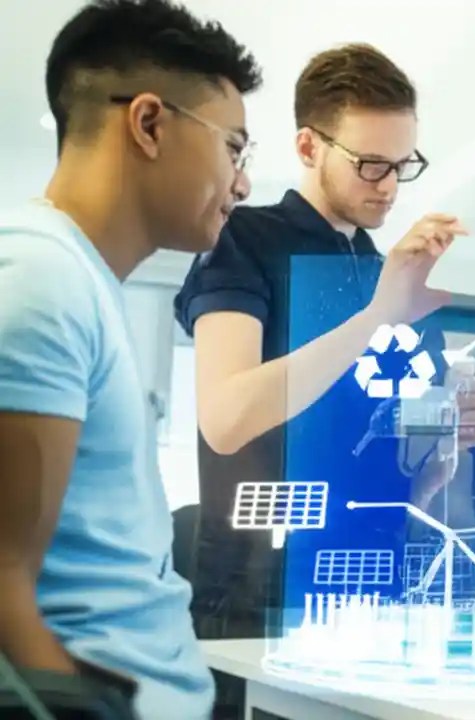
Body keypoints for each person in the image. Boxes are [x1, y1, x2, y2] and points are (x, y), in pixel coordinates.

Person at [173, 42, 475, 651]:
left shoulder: (394, 278)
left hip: (373, 604)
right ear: (308, 147)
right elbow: (226, 419)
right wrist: (378, 317)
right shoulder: (243, 240)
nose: (390, 187)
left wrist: (449, 431)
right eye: (371, 164)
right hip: (256, 609)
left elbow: (410, 489)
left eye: (403, 165)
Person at [0, 0, 260, 715]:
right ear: (149, 123)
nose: (241, 183)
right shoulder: (40, 276)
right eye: (233, 148)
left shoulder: (82, 284)